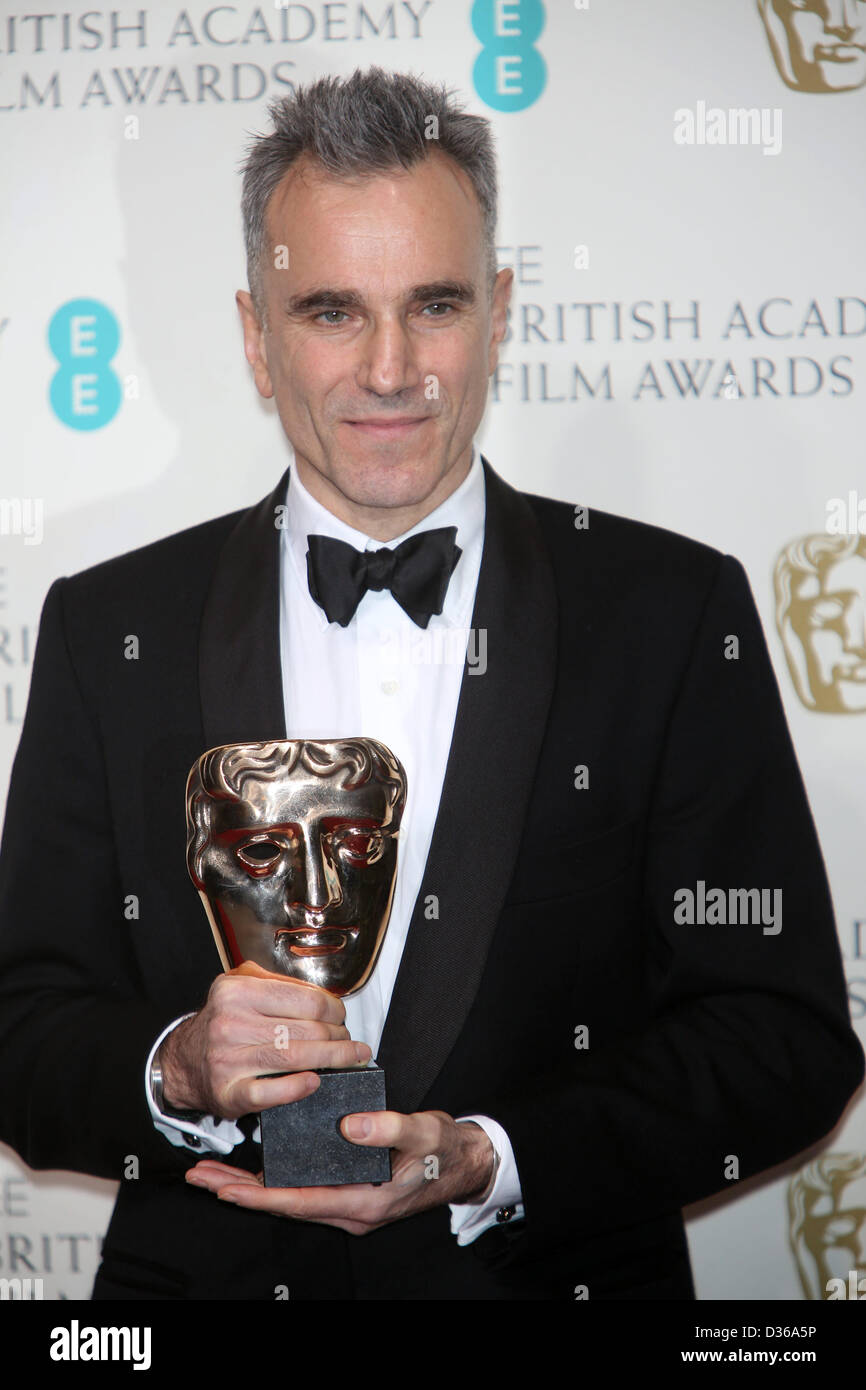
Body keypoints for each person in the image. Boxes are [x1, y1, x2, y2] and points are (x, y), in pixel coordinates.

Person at [0, 66, 861, 1302]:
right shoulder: (106, 627)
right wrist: (177, 1067)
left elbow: (779, 1037)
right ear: (255, 333)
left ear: (500, 311)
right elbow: (21, 1025)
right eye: (332, 311)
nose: (391, 369)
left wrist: (493, 1156)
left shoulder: (670, 613)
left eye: (436, 305)